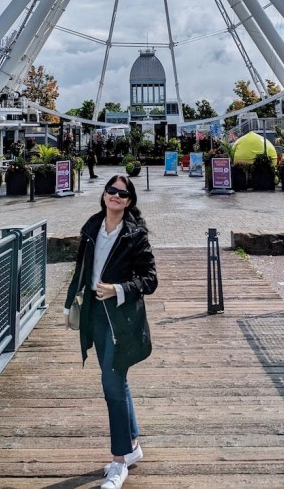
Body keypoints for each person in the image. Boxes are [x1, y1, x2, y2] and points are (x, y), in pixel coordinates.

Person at [64, 174, 157, 489]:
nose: (115, 196)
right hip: (95, 316)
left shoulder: (135, 235)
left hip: (121, 321)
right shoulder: (92, 227)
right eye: (111, 190)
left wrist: (118, 289)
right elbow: (81, 270)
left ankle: (119, 463)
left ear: (129, 201)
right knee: (117, 381)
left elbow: (150, 279)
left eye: (122, 193)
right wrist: (68, 306)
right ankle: (132, 447)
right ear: (103, 195)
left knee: (112, 384)